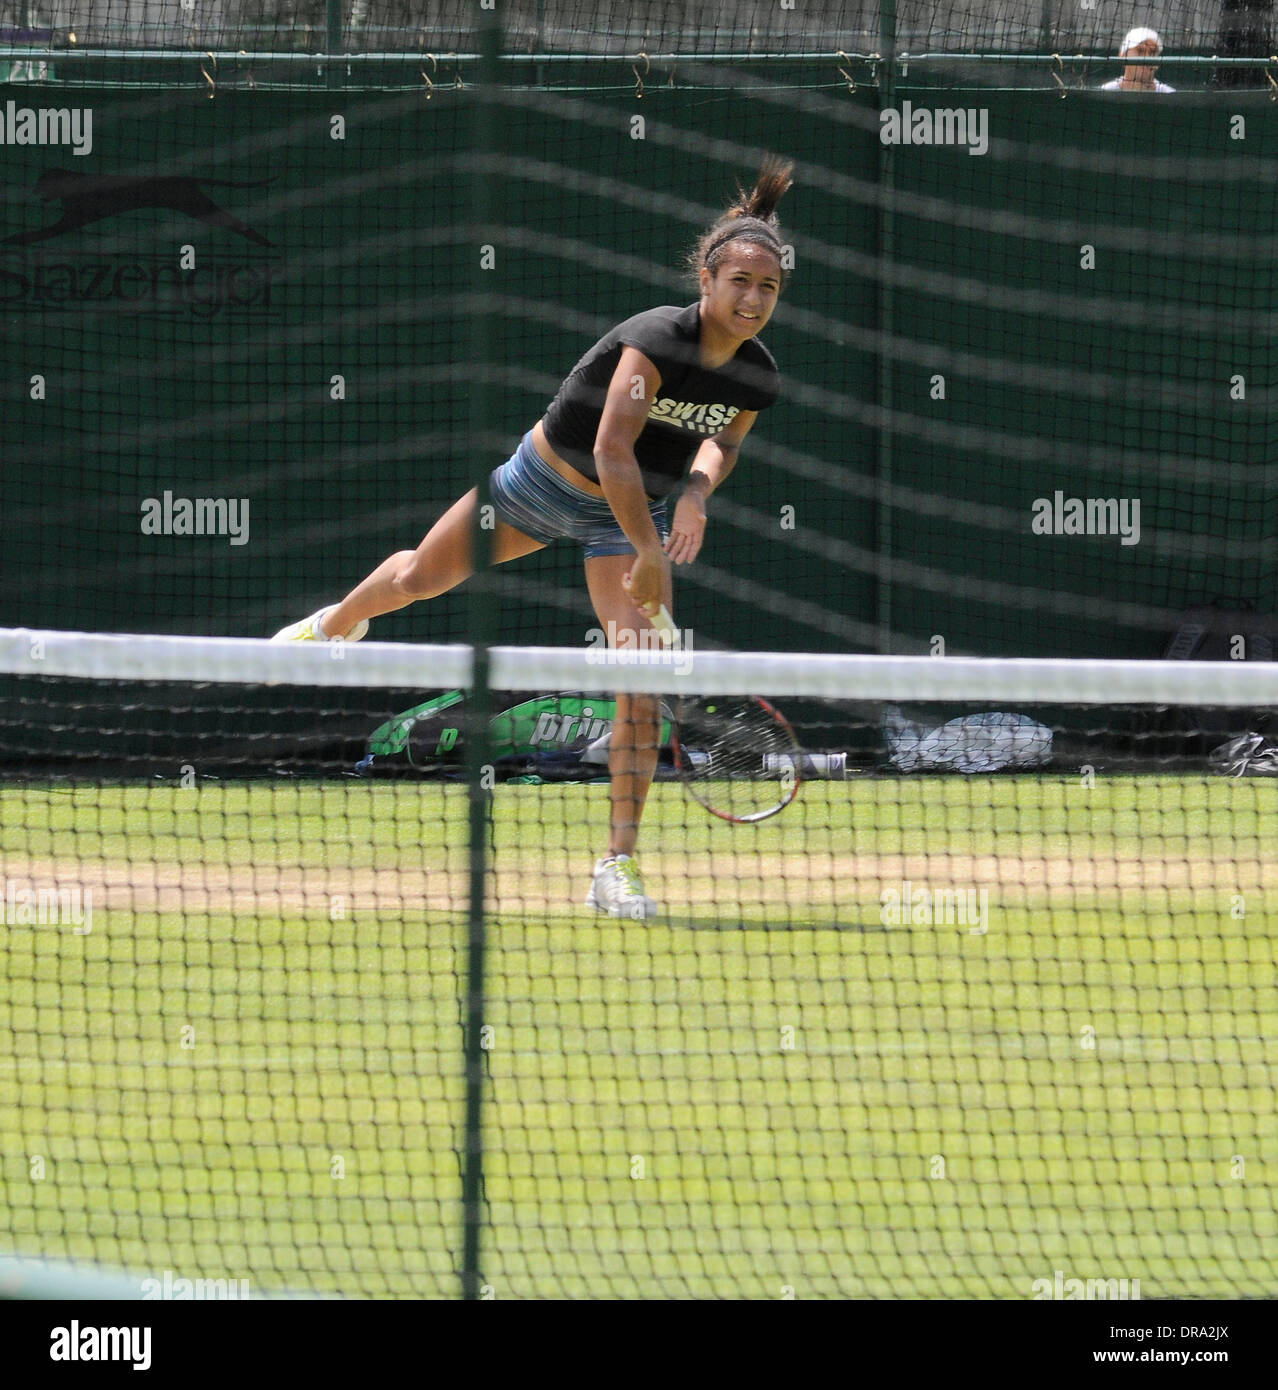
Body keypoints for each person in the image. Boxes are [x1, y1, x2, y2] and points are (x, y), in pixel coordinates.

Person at [272, 156, 794, 920]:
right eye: (739, 283)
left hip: (630, 522)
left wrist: (695, 494)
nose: (752, 299)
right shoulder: (654, 339)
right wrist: (650, 549)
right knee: (420, 577)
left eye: (768, 288)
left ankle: (615, 867)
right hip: (537, 486)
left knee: (640, 688)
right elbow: (613, 449)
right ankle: (335, 623)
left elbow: (726, 442)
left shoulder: (758, 375)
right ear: (706, 282)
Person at [1101, 27, 1175, 91]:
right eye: (1140, 51)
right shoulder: (1105, 92)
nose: (1147, 58)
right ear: (1123, 56)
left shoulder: (1171, 96)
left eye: (1152, 52)